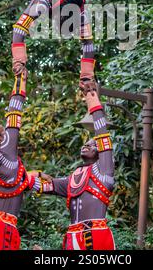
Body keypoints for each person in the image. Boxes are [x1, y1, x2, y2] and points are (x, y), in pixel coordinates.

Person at [33, 81, 115, 250]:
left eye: (92, 145)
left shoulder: (104, 170)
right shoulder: (73, 179)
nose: (86, 146)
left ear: (100, 151)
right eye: (84, 144)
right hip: (72, 237)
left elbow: (103, 136)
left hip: (95, 234)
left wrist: (93, 102)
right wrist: (24, 177)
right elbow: (45, 186)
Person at [0, 111, 51, 250]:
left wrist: (39, 174)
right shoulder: (1, 156)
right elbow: (18, 181)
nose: (8, 133)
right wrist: (19, 91)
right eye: (4, 132)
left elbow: (18, 181)